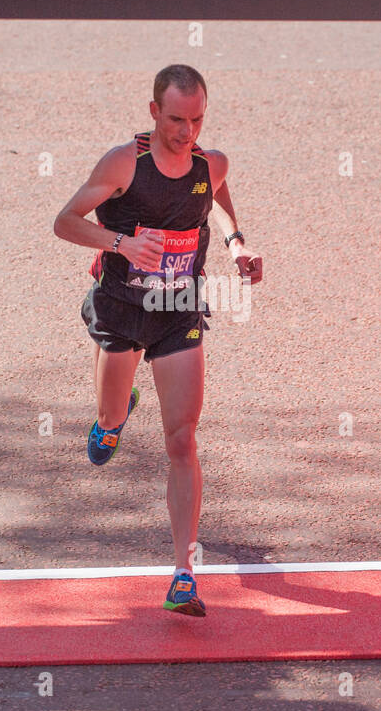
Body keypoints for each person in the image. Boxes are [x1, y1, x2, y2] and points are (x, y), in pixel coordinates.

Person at [53, 64, 263, 616]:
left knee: (182, 440)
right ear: (153, 113)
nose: (186, 132)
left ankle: (184, 574)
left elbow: (214, 195)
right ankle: (114, 416)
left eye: (196, 120)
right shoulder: (125, 163)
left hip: (177, 308)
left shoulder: (209, 162)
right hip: (123, 308)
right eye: (175, 119)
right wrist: (120, 242)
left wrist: (237, 244)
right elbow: (65, 221)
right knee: (108, 421)